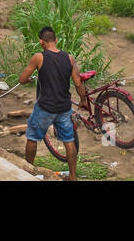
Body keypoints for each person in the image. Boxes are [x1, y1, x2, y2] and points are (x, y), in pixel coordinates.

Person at [18, 26, 89, 181]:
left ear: (41, 42)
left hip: (45, 108)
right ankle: (73, 176)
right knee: (69, 141)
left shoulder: (39, 57)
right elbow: (78, 83)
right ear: (56, 40)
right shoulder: (69, 58)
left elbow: (22, 79)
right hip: (64, 108)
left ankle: (27, 171)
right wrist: (83, 101)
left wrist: (30, 79)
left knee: (32, 137)